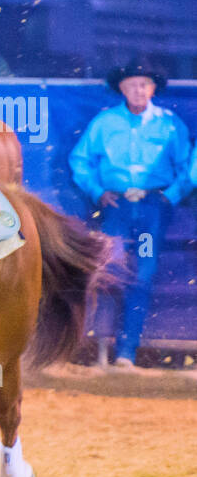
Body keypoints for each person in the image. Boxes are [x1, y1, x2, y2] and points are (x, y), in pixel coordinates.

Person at [70, 62, 193, 368]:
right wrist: (97, 191)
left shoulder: (169, 124)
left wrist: (171, 195)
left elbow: (189, 167)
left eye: (144, 85)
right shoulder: (105, 122)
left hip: (151, 211)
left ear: (153, 89)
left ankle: (126, 351)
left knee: (143, 274)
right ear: (121, 89)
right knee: (109, 269)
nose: (138, 90)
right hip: (117, 211)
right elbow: (79, 160)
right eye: (132, 85)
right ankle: (86, 348)